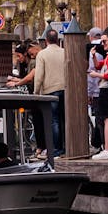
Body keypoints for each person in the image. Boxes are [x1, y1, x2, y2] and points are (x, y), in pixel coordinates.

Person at [33, 27, 66, 157]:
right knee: (65, 119)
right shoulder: (65, 52)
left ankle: (57, 149)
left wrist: (36, 92)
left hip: (51, 91)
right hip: (65, 89)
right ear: (57, 40)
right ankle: (67, 146)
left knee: (54, 121)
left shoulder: (42, 54)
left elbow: (39, 75)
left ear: (46, 41)